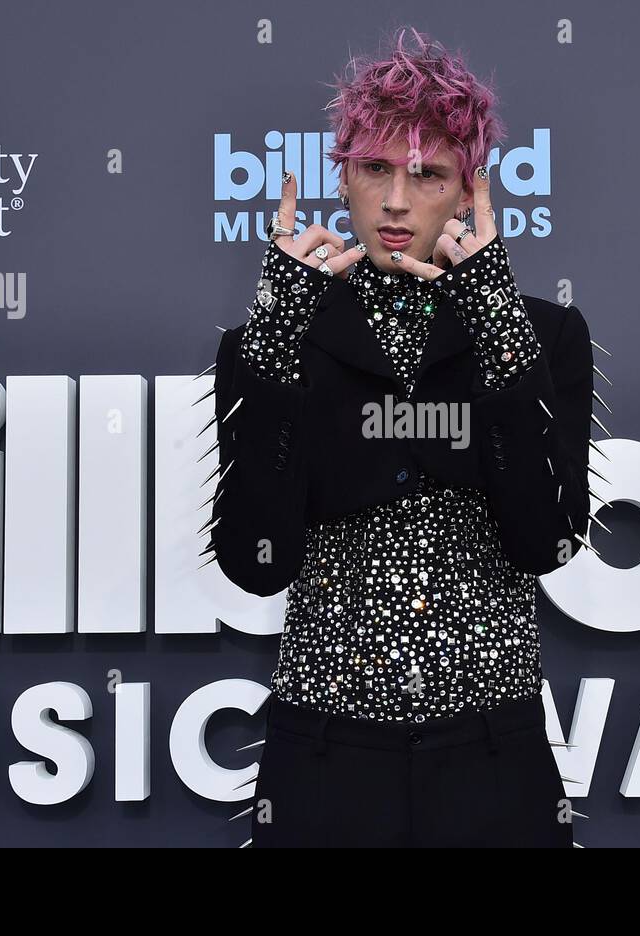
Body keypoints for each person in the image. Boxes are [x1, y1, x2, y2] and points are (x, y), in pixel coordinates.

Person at [208, 26, 595, 847]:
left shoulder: (541, 335)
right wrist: (277, 337)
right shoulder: (274, 341)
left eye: (428, 176)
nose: (394, 201)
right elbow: (254, 562)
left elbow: (547, 540)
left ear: (469, 192)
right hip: (321, 755)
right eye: (375, 169)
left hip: (496, 751)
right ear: (341, 177)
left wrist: (493, 320)